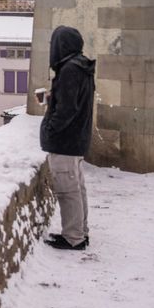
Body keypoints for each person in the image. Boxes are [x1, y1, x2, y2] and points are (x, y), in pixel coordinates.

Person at [40, 26, 96, 251]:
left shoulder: (70, 70)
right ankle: (80, 232)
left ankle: (74, 237)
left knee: (67, 190)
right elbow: (74, 101)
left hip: (65, 141)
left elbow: (66, 109)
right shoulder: (81, 66)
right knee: (77, 187)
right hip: (76, 139)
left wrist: (51, 130)